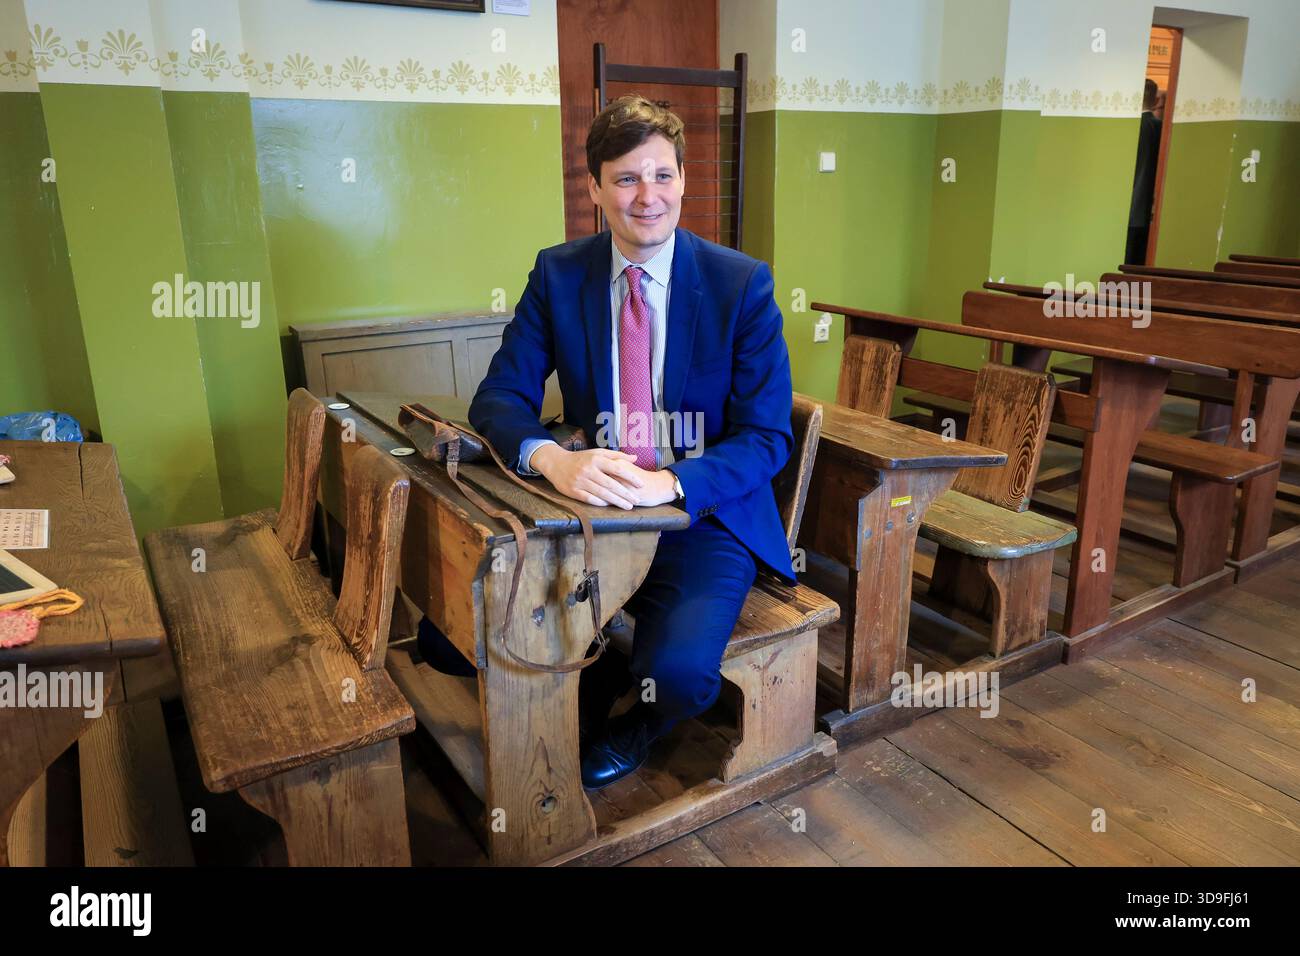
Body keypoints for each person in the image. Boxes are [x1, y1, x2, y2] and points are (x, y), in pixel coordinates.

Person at [418, 94, 794, 790]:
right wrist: (554, 458)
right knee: (449, 638)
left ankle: (634, 726)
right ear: (594, 189)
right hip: (591, 503)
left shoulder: (740, 284)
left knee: (678, 676)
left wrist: (673, 483)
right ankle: (587, 677)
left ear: (683, 181)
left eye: (661, 176)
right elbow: (499, 397)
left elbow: (769, 437)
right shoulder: (559, 273)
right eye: (625, 178)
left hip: (700, 511)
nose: (646, 197)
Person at [1125, 78, 1162, 265]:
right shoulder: (1160, 127)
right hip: (1147, 208)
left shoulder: (1127, 127)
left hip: (1126, 206)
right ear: (1156, 100)